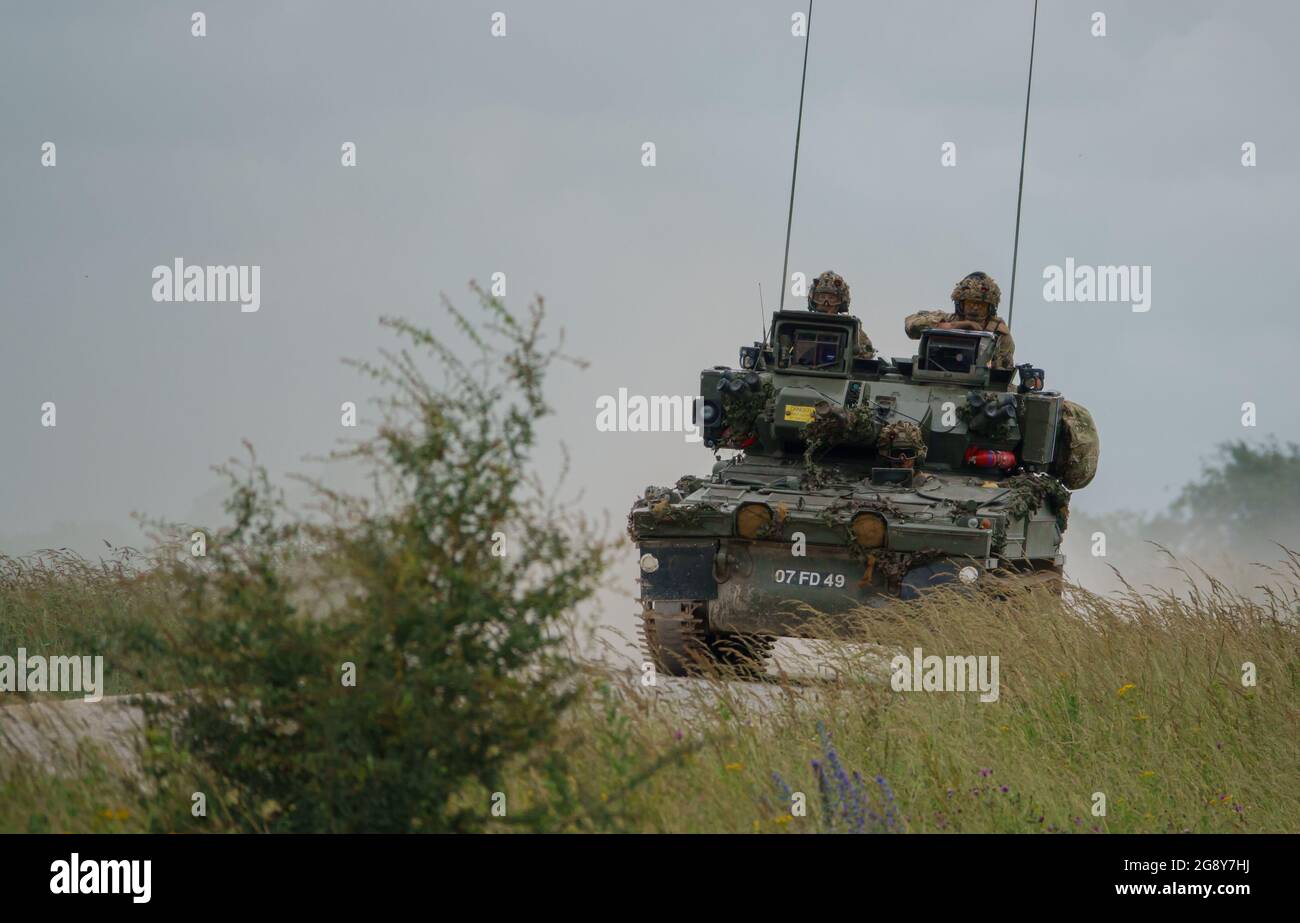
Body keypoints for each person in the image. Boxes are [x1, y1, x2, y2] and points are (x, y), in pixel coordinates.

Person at [904, 271, 1015, 369]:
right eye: (970, 303)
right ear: (960, 304)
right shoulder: (947, 319)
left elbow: (1004, 370)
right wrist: (953, 326)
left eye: (981, 304)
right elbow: (912, 326)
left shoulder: (999, 334)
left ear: (990, 308)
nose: (975, 308)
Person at [807, 270, 875, 358]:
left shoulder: (852, 330)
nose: (825, 303)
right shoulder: (797, 323)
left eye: (832, 298)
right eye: (821, 297)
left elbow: (866, 356)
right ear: (813, 299)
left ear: (841, 302)